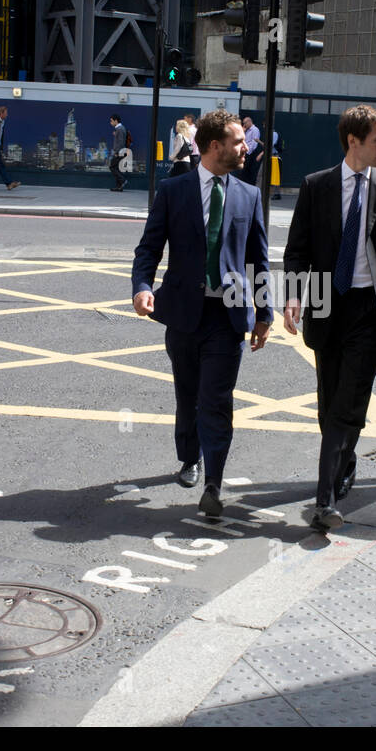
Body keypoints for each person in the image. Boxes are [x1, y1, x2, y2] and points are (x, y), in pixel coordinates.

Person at [283, 104, 376, 531]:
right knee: (329, 402)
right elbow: (297, 250)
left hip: (371, 307)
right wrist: (293, 295)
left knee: (349, 405)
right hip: (327, 300)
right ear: (353, 142)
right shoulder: (317, 186)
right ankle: (343, 463)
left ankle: (323, 500)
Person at [131, 110, 272, 517]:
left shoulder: (247, 195)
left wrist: (264, 314)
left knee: (216, 399)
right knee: (187, 394)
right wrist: (142, 287)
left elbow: (259, 261)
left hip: (227, 317)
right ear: (214, 146)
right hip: (183, 313)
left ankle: (214, 480)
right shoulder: (173, 191)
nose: (246, 147)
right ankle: (188, 456)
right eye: (238, 141)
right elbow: (149, 248)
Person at [241, 116, 262, 186]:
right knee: (244, 171)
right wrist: (243, 131)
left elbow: (254, 143)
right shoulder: (246, 130)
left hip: (250, 153)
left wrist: (248, 153)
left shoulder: (255, 130)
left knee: (249, 171)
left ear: (250, 122)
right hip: (245, 152)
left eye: (245, 123)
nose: (244, 125)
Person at [110, 114, 129, 191]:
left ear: (116, 121)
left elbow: (121, 142)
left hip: (120, 152)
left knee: (112, 167)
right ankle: (119, 187)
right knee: (116, 168)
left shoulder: (120, 129)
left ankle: (123, 180)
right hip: (120, 151)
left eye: (111, 121)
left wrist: (117, 152)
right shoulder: (119, 129)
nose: (110, 122)